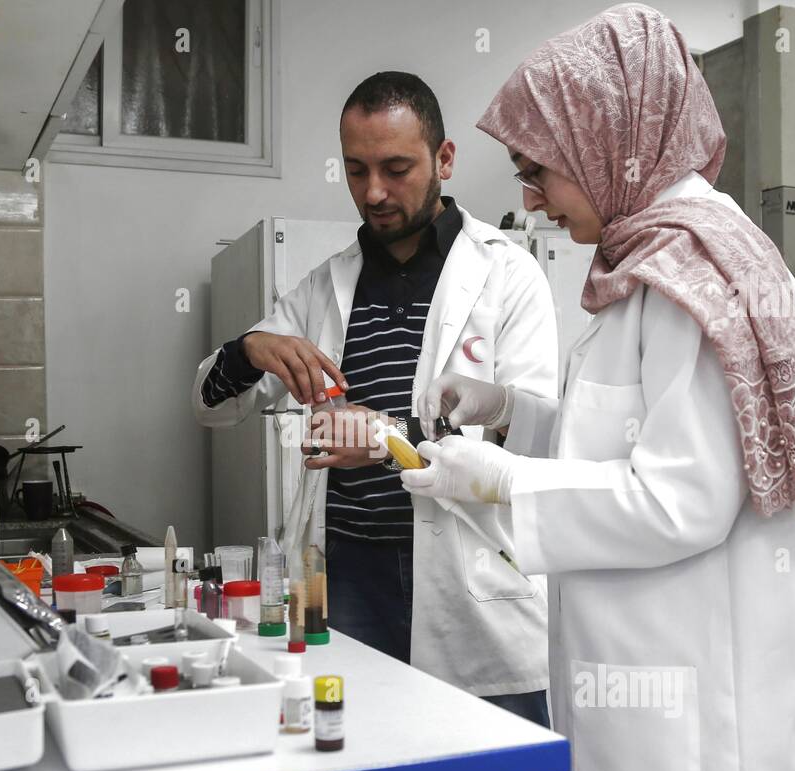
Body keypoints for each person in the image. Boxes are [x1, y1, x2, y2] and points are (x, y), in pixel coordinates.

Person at [401, 5, 795, 771]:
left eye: (541, 171)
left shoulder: (695, 276)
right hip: (647, 688)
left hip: (706, 721)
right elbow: (635, 444)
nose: (529, 198)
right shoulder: (646, 262)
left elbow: (682, 499)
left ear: (612, 140)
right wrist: (511, 413)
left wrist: (498, 482)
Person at [192, 72, 558, 723]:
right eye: (357, 170)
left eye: (396, 168)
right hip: (348, 579)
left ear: (444, 159)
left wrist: (389, 442)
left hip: (470, 588)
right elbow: (211, 406)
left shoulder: (507, 274)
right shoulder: (324, 285)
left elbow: (535, 445)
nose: (374, 192)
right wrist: (247, 353)